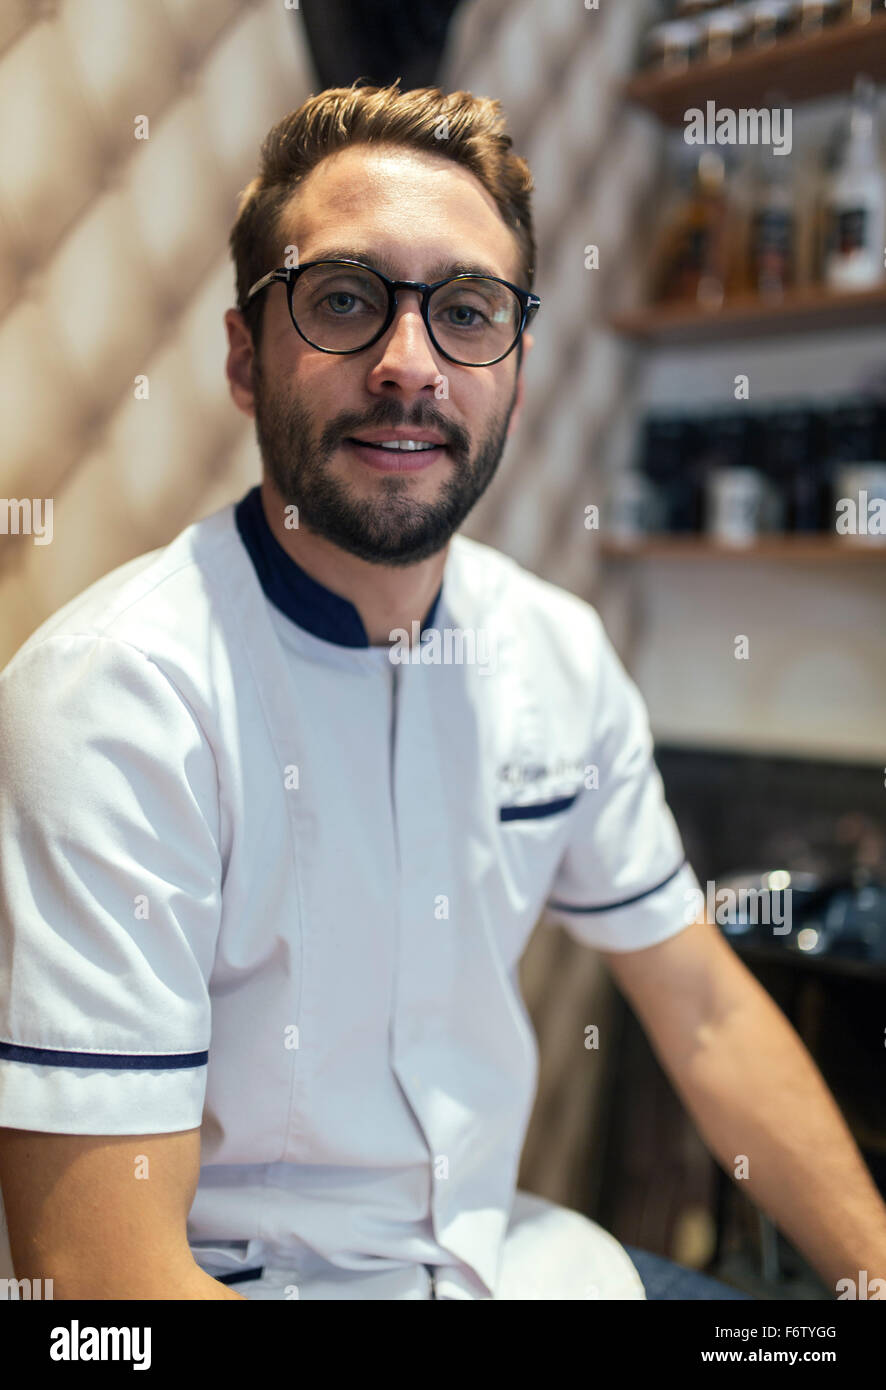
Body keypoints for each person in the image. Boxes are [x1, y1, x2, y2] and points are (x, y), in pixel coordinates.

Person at [1, 82, 884, 1302]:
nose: (409, 366)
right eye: (346, 301)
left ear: (514, 372)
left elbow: (702, 1007)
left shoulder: (557, 656)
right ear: (245, 359)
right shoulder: (118, 701)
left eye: (466, 311)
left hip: (504, 1263)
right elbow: (102, 1280)